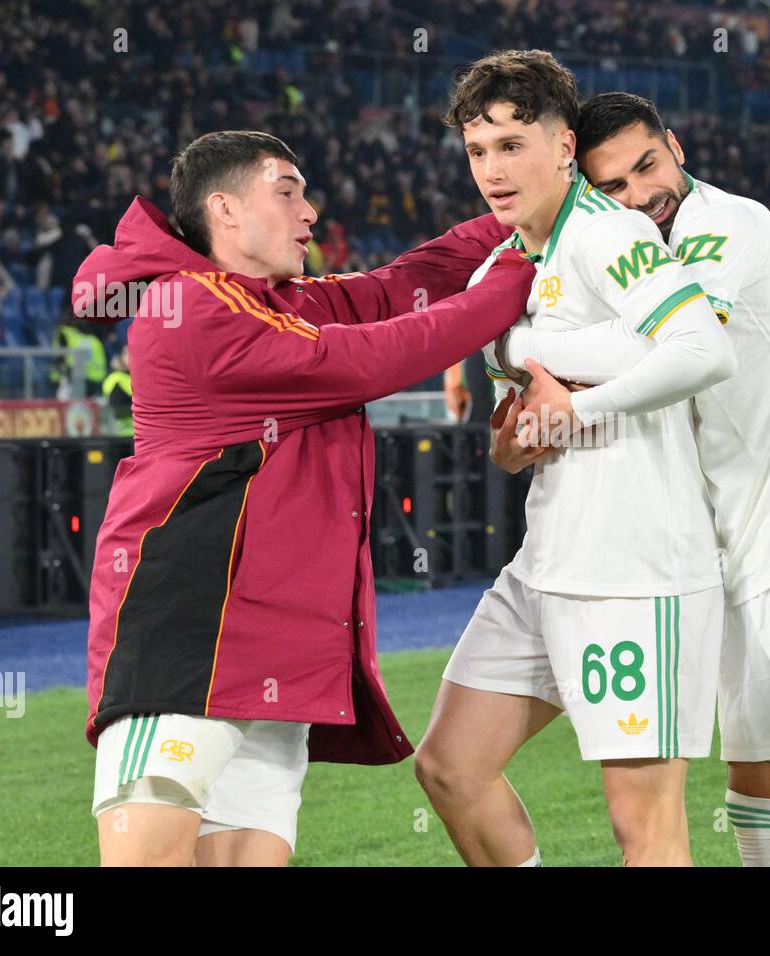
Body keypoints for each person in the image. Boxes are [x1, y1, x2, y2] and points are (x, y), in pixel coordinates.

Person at [75, 129, 534, 867]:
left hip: (277, 650)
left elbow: (400, 286)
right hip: (188, 639)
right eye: (287, 191)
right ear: (224, 210)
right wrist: (514, 276)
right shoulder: (187, 306)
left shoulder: (274, 302)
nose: (311, 211)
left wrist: (533, 213)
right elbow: (370, 357)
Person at [499, 91, 770, 866]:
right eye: (615, 188)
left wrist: (511, 340)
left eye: (648, 166)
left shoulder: (728, 225)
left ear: (676, 146)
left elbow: (672, 343)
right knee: (760, 801)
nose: (642, 195)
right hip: (730, 550)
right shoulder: (622, 258)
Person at [413, 54, 735, 868]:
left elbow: (703, 349)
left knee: (645, 830)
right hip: (547, 563)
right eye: (479, 151)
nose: (492, 169)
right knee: (451, 767)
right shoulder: (502, 271)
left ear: (564, 146)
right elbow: (510, 437)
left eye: (513, 145)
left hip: (637, 569)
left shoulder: (609, 233)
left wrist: (578, 406)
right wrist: (516, 439)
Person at [102, 343, 133, 438]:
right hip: (123, 436)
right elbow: (116, 410)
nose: (131, 357)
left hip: (141, 434)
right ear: (120, 357)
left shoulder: (137, 377)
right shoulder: (116, 379)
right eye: (127, 353)